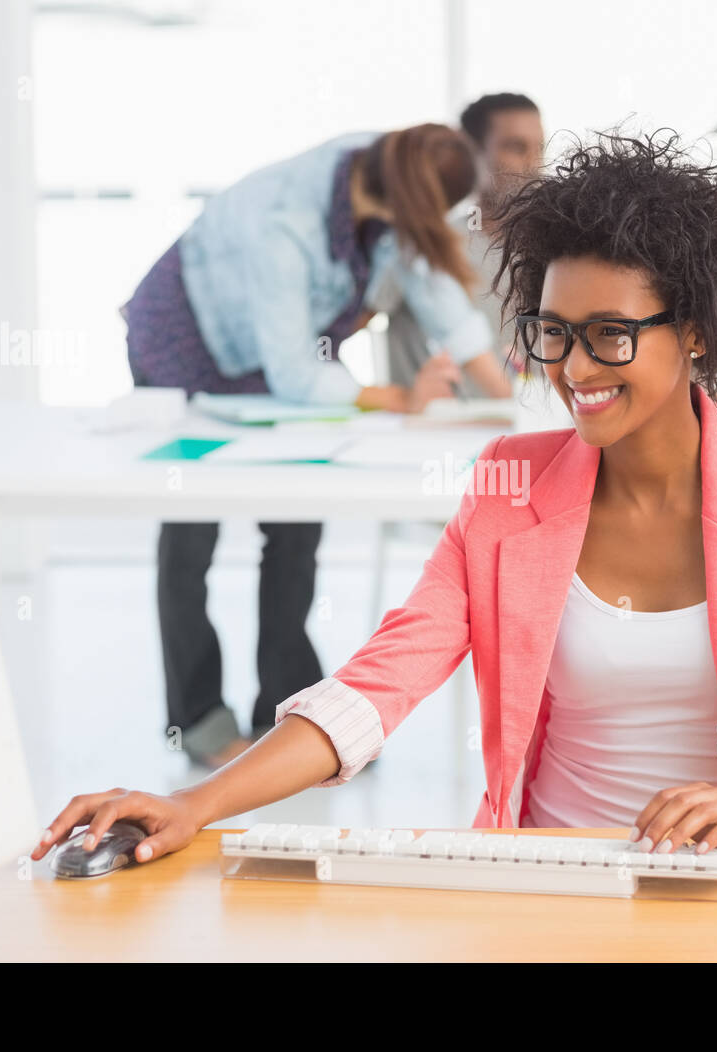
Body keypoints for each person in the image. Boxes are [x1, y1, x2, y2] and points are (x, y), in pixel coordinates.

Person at [36, 130, 717, 869]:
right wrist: (196, 803)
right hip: (548, 882)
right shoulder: (513, 485)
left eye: (609, 337)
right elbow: (377, 686)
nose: (573, 370)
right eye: (552, 334)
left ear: (698, 331)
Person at [120, 124, 512, 770]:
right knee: (192, 533)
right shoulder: (290, 223)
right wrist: (397, 399)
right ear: (407, 206)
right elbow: (297, 375)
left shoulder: (395, 171)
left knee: (296, 522)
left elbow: (438, 293)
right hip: (186, 337)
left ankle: (289, 712)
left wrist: (504, 400)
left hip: (281, 353)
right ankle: (198, 721)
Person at [382, 93, 544, 391]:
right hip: (435, 432)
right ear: (471, 153)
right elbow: (336, 325)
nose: (533, 164)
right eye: (515, 147)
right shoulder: (423, 243)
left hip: (528, 431)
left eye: (540, 148)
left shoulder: (554, 253)